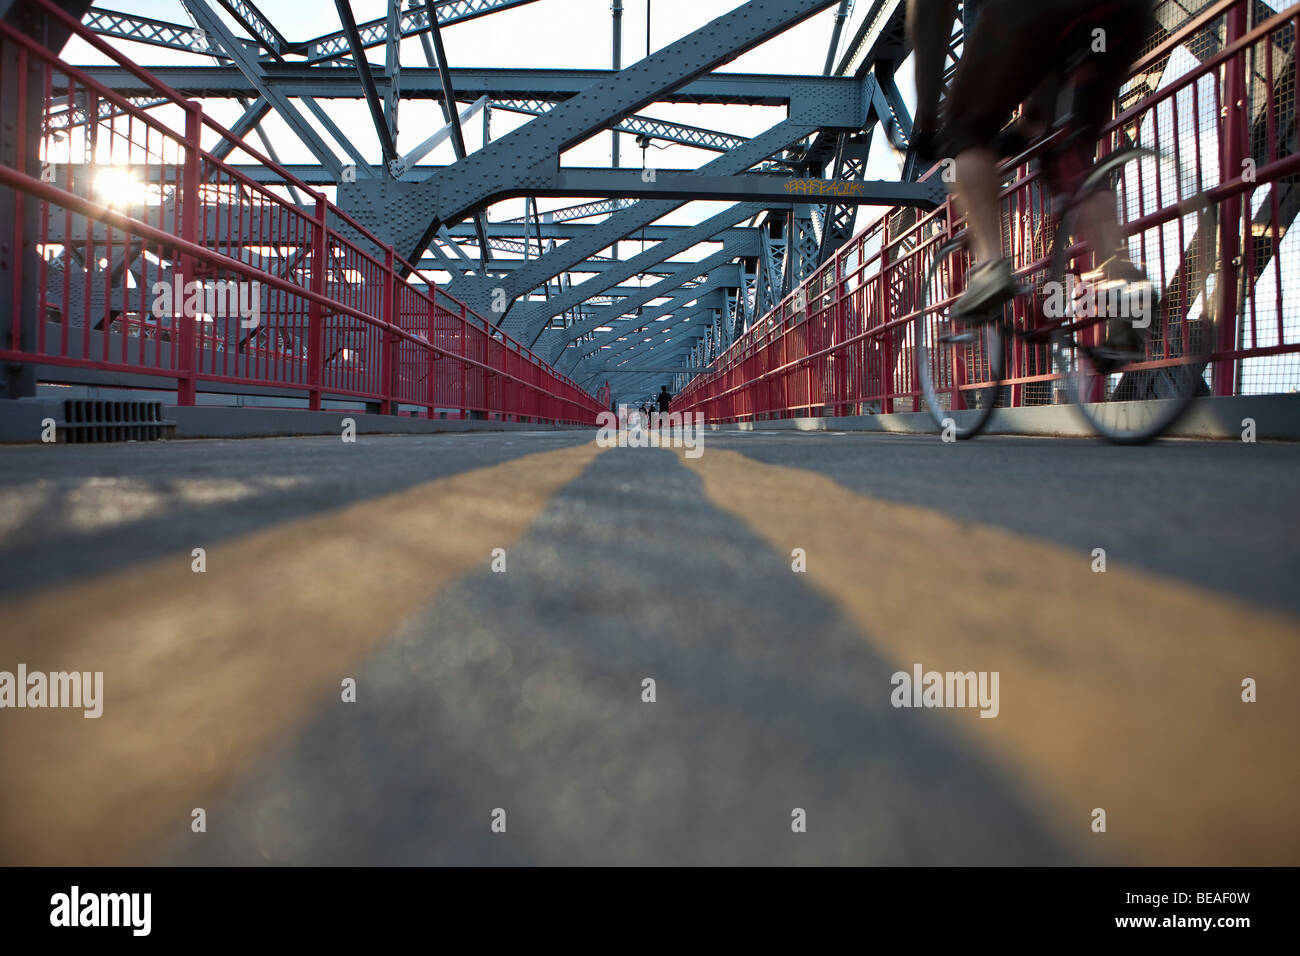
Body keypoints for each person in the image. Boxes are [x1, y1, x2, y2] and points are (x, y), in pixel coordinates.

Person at [917, 0, 1157, 356]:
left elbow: (928, 14)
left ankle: (989, 268)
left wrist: (925, 120)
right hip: (1128, 14)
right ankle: (1124, 282)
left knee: (964, 133)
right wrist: (1031, 120)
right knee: (1070, 151)